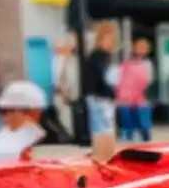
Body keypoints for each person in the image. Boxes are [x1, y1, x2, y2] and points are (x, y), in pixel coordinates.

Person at [0, 81, 48, 164]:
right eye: (2, 111)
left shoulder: (30, 137)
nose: (4, 117)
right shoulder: (3, 133)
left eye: (6, 111)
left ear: (30, 113)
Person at [83, 22, 119, 159]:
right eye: (107, 38)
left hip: (102, 97)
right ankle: (104, 158)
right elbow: (103, 79)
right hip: (100, 98)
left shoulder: (102, 56)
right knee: (103, 130)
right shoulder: (98, 57)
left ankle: (104, 156)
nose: (110, 42)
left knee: (104, 130)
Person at [116, 37, 155, 142]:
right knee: (127, 125)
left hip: (140, 99)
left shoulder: (147, 64)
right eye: (139, 46)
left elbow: (148, 81)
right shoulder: (126, 62)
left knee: (144, 125)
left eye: (144, 47)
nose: (140, 49)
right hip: (126, 100)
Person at [50, 34, 79, 143]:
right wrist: (62, 92)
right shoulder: (59, 60)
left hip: (67, 95)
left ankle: (71, 136)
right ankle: (69, 137)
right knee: (65, 118)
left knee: (68, 118)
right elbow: (58, 79)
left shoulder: (70, 60)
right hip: (62, 96)